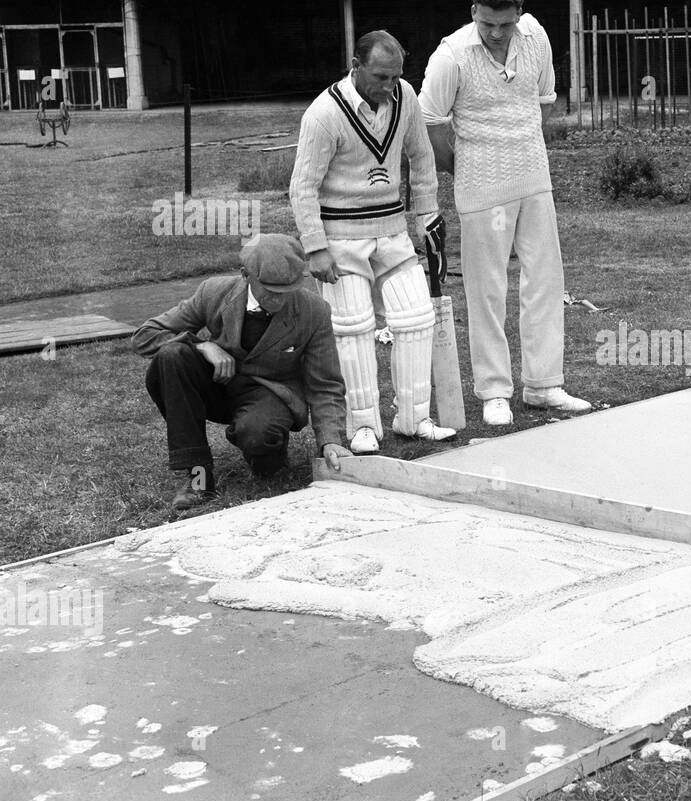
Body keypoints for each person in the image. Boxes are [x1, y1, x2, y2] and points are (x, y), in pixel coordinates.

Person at [419, 0, 590, 427]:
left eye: (505, 25)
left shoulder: (535, 35)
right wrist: (466, 166)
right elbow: (432, 121)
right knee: (486, 286)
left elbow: (545, 99)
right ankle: (495, 391)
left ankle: (543, 385)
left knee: (545, 276)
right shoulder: (451, 54)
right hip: (479, 183)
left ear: (518, 15)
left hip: (533, 174)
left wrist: (520, 145)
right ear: (474, 11)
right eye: (488, 24)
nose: (496, 33)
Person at [290, 29, 457, 454]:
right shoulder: (324, 113)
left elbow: (421, 157)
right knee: (351, 330)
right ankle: (362, 425)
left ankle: (414, 418)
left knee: (417, 319)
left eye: (396, 75)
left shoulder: (404, 97)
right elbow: (302, 186)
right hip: (341, 239)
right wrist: (315, 247)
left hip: (392, 232)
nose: (390, 85)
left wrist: (427, 215)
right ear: (356, 66)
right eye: (381, 77)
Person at [133, 234, 352, 511]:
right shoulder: (213, 292)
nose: (278, 299)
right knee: (172, 356)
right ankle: (198, 477)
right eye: (270, 291)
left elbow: (325, 384)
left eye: (288, 290)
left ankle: (267, 443)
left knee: (264, 454)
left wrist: (330, 440)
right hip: (218, 385)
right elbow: (145, 336)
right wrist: (202, 345)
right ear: (245, 275)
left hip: (269, 393)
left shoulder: (315, 311)